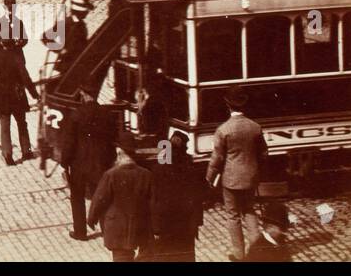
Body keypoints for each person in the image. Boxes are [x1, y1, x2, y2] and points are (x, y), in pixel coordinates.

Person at [206, 86, 267, 260]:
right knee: (249, 211)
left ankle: (239, 255)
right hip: (251, 177)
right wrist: (258, 171)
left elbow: (217, 158)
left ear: (228, 105)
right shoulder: (255, 127)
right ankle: (258, 251)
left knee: (233, 216)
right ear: (244, 105)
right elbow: (263, 153)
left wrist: (209, 178)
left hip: (231, 180)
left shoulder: (223, 130)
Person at [59, 80, 115, 240]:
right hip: (100, 163)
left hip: (79, 164)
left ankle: (80, 232)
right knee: (102, 197)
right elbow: (112, 139)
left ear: (83, 94)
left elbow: (69, 142)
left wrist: (65, 162)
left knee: (77, 197)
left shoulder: (76, 115)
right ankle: (107, 231)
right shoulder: (106, 114)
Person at [87, 131, 154, 261]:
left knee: (121, 258)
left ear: (119, 152)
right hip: (138, 226)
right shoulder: (146, 174)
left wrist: (92, 218)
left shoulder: (111, 175)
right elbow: (153, 202)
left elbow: (99, 199)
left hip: (116, 228)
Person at [147, 131, 206, 261]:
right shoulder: (191, 170)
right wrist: (196, 223)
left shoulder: (158, 170)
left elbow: (154, 200)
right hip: (185, 225)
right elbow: (197, 198)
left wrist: (155, 227)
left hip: (165, 224)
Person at [0, 41, 37, 165]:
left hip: (1, 96)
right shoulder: (16, 56)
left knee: (5, 126)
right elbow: (25, 77)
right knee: (22, 123)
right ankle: (26, 151)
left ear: (2, 42)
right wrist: (35, 94)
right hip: (16, 96)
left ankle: (8, 155)